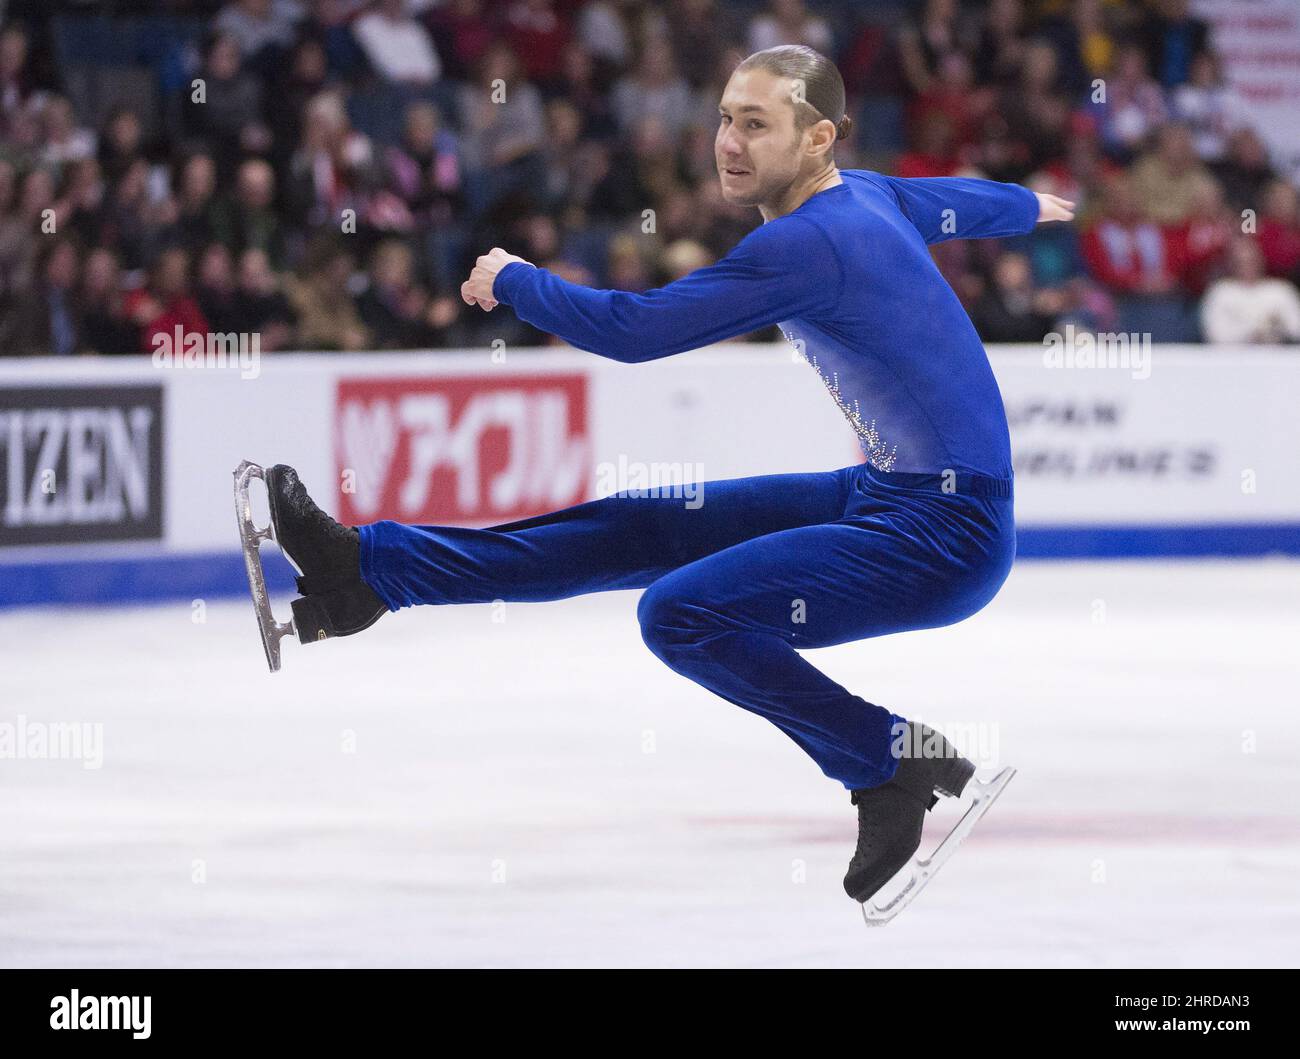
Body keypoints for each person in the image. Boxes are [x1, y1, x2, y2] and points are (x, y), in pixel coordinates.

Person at [254, 46, 1074, 913]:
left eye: (756, 125)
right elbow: (951, 201)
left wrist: (517, 280)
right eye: (725, 116)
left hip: (946, 538)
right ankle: (365, 573)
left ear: (818, 138)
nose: (728, 141)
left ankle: (887, 762)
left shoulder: (811, 243)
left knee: (678, 613)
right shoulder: (866, 194)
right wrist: (1031, 207)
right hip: (895, 497)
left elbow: (636, 331)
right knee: (637, 527)